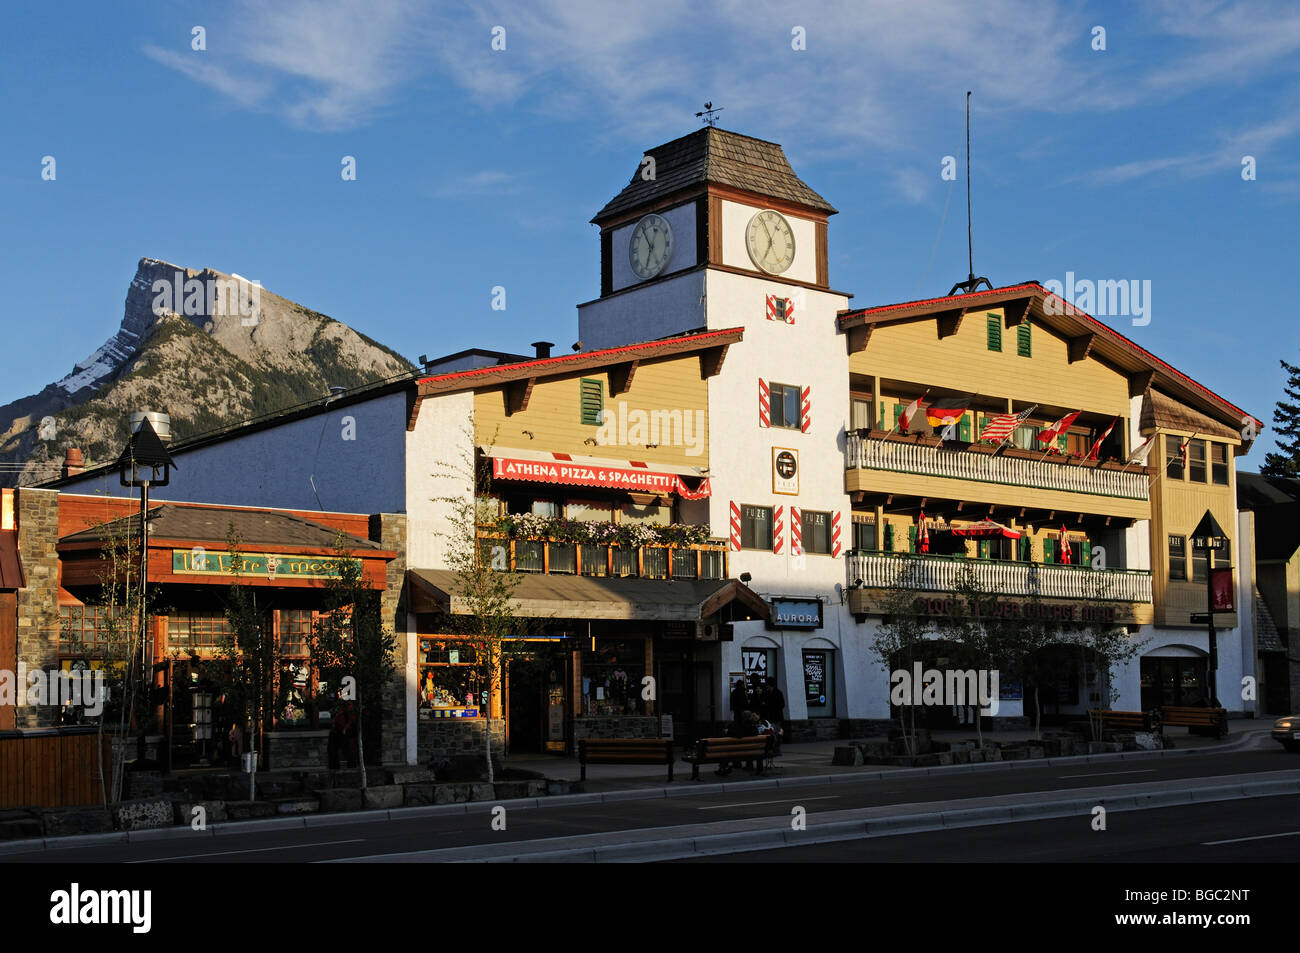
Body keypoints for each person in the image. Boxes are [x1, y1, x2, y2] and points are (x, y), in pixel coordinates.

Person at [762, 682, 786, 754]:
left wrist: (773, 707)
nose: (767, 687)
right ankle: (774, 748)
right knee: (773, 732)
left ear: (770, 685)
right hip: (771, 716)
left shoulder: (778, 693)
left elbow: (782, 704)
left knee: (778, 733)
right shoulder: (768, 693)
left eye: (768, 685)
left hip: (777, 716)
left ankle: (776, 748)